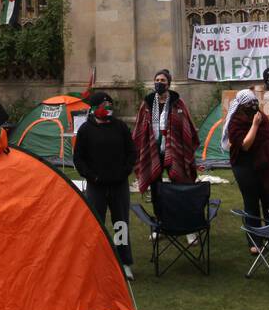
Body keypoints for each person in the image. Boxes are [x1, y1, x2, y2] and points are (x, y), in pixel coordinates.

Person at [73, 91, 138, 279]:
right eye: (104, 106)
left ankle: (124, 262)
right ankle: (95, 261)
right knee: (95, 224)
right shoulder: (86, 130)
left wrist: (124, 171)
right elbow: (79, 158)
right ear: (94, 109)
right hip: (96, 186)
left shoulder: (120, 127)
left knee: (120, 224)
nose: (107, 109)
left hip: (118, 185)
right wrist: (91, 176)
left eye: (110, 105)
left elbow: (131, 151)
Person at [132, 69, 198, 218]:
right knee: (156, 188)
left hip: (175, 151)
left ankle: (183, 220)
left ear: (168, 84)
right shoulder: (147, 103)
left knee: (180, 184)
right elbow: (140, 129)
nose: (159, 83)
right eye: (157, 80)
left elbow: (187, 127)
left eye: (162, 81)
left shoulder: (178, 103)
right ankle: (160, 221)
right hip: (153, 150)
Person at [224, 88, 269, 253]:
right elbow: (246, 145)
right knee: (251, 203)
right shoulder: (236, 121)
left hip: (263, 165)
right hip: (244, 166)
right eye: (250, 103)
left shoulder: (262, 117)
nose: (254, 105)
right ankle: (254, 241)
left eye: (255, 101)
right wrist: (255, 125)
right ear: (242, 105)